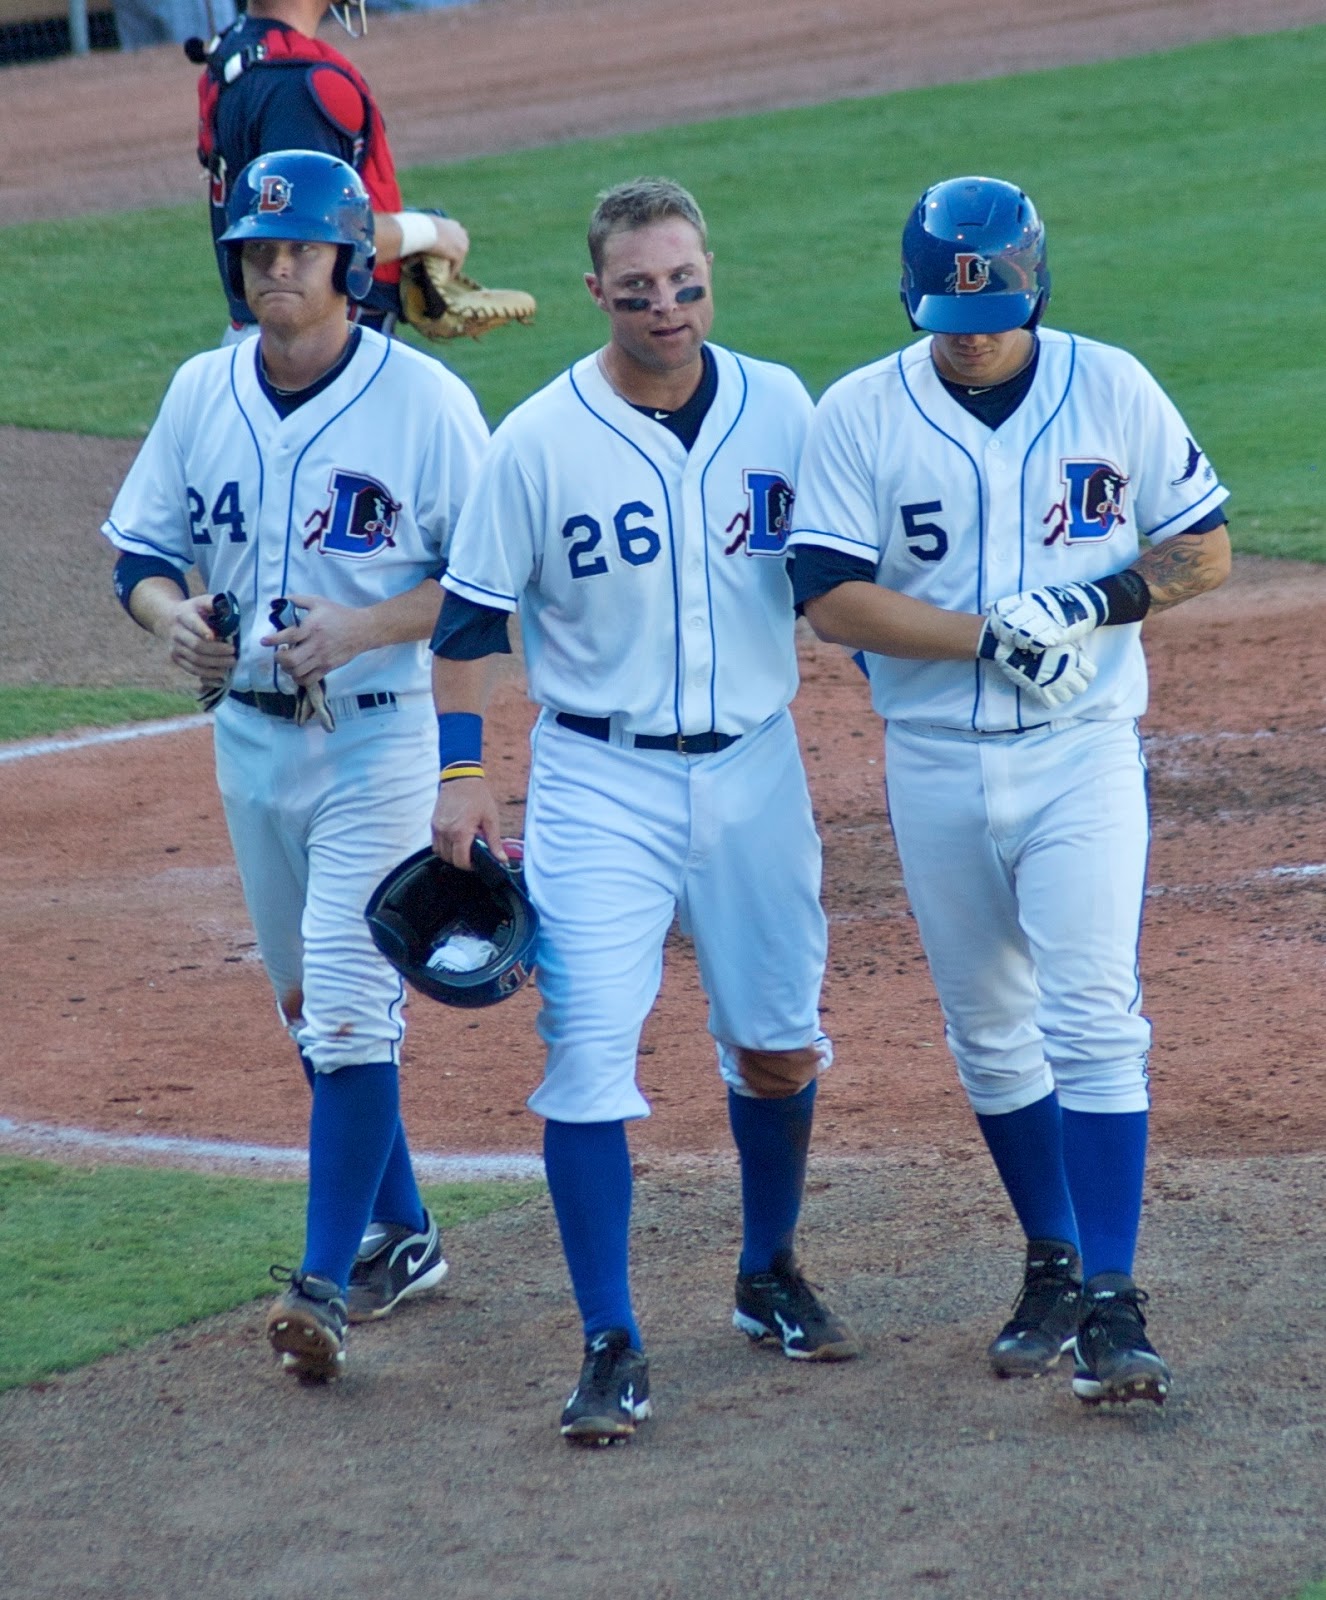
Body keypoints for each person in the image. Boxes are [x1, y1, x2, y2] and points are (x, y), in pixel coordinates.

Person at [429, 176, 860, 1446]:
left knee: (778, 1040)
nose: (666, 307)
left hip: (757, 768)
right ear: (596, 293)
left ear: (710, 273)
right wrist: (461, 772)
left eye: (685, 283)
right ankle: (609, 1339)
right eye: (637, 290)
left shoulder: (783, 408)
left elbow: (837, 579)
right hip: (599, 779)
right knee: (586, 1052)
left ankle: (767, 1272)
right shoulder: (536, 441)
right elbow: (467, 624)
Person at [788, 175, 1231, 1407]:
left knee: (1091, 1017)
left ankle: (1115, 1302)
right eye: (948, 315)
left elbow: (1203, 544)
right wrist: (988, 635)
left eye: (992, 313)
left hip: (1082, 751)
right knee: (988, 1031)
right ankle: (1055, 1259)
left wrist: (1091, 600)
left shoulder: (1112, 385)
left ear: (1035, 290)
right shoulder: (862, 411)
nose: (971, 335)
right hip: (934, 757)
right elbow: (829, 597)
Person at [101, 150, 490, 1380]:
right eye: (258, 250)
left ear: (348, 265)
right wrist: (169, 618)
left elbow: (486, 587)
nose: (276, 266)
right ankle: (406, 1232)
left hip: (379, 733)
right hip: (248, 738)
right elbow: (138, 558)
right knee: (304, 1005)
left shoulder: (424, 404)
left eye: (300, 249)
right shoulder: (200, 390)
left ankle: (323, 1282)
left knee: (349, 997)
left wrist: (365, 625)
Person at [190, 0, 471, 339]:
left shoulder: (239, 49)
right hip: (311, 348)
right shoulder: (296, 85)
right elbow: (306, 237)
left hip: (269, 335)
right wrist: (429, 232)